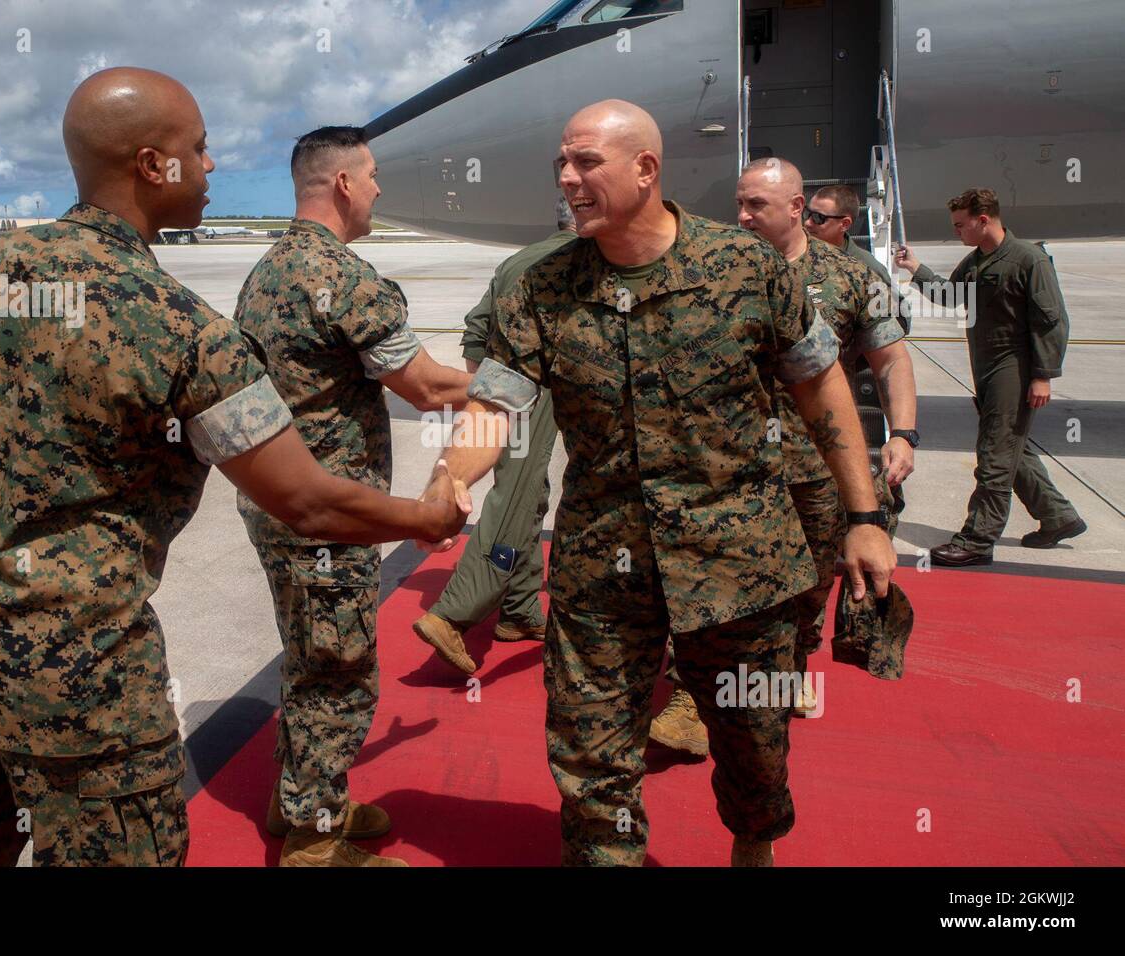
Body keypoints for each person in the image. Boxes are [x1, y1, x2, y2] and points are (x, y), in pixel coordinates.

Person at [0, 69, 465, 867]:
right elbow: (307, 502)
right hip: (85, 691)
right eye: (201, 148)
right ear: (155, 166)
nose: (213, 164)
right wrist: (428, 518)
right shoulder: (179, 328)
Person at [428, 100, 897, 866]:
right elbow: (496, 403)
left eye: (586, 162)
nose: (567, 178)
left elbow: (821, 387)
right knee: (589, 755)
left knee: (756, 746)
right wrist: (450, 479)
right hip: (601, 574)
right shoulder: (542, 287)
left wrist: (865, 516)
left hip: (742, 569)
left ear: (646, 169)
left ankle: (754, 843)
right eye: (562, 163)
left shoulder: (746, 267)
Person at [232, 126, 473, 867]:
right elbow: (427, 387)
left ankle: (299, 803)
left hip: (277, 504)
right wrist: (516, 379)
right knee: (338, 672)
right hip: (331, 516)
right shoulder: (343, 277)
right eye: (370, 177)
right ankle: (315, 842)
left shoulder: (267, 273)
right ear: (342, 183)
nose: (376, 189)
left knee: (308, 655)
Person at [736, 157, 917, 686]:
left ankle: (788, 674)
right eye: (739, 204)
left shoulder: (853, 276)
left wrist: (903, 434)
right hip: (735, 464)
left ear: (796, 207)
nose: (743, 216)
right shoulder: (722, 274)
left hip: (816, 469)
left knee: (808, 588)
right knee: (724, 583)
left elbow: (892, 360)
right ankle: (692, 693)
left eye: (756, 205)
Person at [411, 196, 576, 675]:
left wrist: (483, 394)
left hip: (503, 383)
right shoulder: (573, 261)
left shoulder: (517, 260)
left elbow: (476, 329)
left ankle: (519, 609)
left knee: (530, 492)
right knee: (517, 497)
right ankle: (453, 614)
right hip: (538, 386)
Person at [896, 188, 1083, 566]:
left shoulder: (1028, 259)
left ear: (983, 220)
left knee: (994, 456)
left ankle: (977, 539)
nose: (957, 232)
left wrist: (1043, 375)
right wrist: (917, 269)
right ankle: (1057, 515)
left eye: (960, 225)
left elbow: (1051, 321)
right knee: (1012, 448)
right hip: (987, 367)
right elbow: (951, 296)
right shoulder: (976, 261)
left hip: (1014, 367)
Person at [804, 183, 907, 332]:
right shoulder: (796, 254)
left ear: (844, 224)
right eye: (807, 213)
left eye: (818, 218)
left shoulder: (867, 269)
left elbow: (900, 319)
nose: (807, 222)